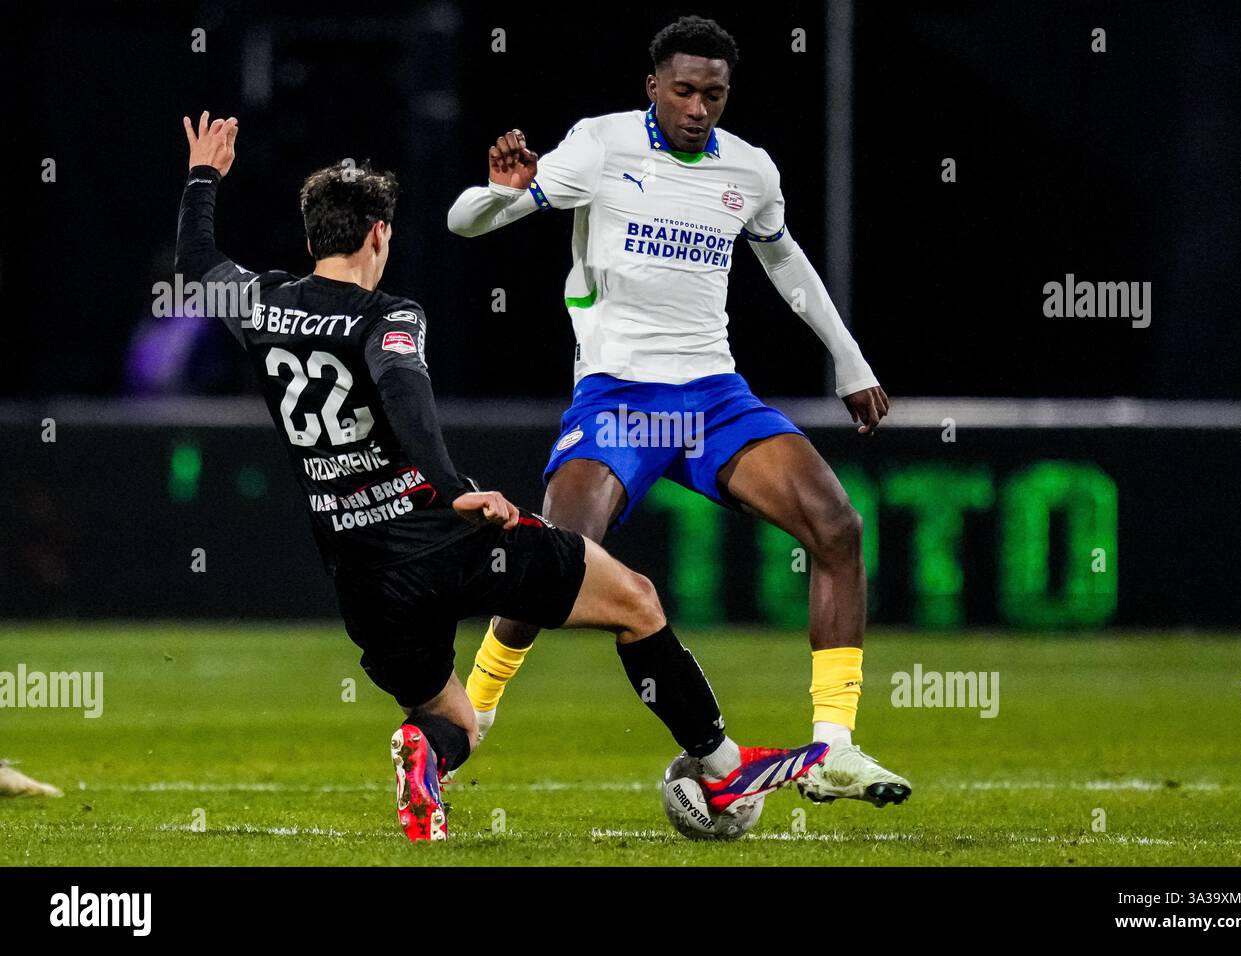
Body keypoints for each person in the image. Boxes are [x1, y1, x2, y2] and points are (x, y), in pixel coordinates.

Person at [174, 110, 827, 841]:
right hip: (442, 539)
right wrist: (454, 489)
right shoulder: (387, 315)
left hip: (360, 573)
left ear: (311, 238)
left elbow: (197, 264)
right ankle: (722, 762)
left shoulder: (263, 304)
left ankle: (424, 760)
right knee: (637, 602)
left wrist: (204, 177)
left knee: (452, 721)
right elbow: (404, 396)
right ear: (378, 234)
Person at [448, 15, 910, 807]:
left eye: (715, 95)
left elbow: (783, 258)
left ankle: (834, 748)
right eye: (686, 91)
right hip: (618, 394)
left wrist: (850, 357)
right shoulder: (601, 146)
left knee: (838, 526)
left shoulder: (750, 170)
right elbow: (467, 222)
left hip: (713, 395)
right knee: (553, 564)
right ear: (654, 87)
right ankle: (470, 718)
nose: (700, 109)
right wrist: (500, 192)